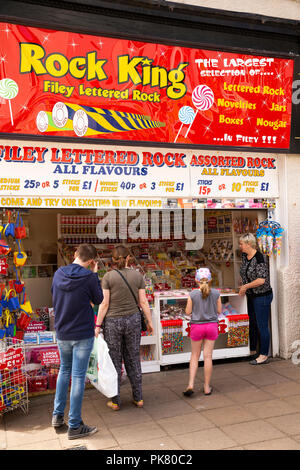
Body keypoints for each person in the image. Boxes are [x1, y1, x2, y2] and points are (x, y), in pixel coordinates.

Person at [51, 244, 103, 439]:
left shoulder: (58, 274)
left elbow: (55, 295)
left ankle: (57, 416)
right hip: (82, 332)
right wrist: (95, 274)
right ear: (91, 262)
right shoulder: (89, 277)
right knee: (78, 377)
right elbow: (98, 299)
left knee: (64, 371)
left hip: (63, 331)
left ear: (75, 255)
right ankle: (74, 425)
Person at [95, 245, 153, 411]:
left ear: (112, 260)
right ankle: (138, 397)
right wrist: (149, 321)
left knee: (114, 360)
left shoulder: (107, 277)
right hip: (133, 320)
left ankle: (115, 400)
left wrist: (98, 325)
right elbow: (143, 302)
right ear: (128, 258)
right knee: (133, 357)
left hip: (113, 322)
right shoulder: (137, 276)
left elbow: (104, 304)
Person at [183, 268, 222, 397]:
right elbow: (219, 310)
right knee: (208, 357)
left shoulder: (193, 294)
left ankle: (190, 384)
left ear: (196, 280)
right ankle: (206, 387)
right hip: (211, 326)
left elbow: (188, 312)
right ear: (210, 279)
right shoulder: (216, 293)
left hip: (197, 327)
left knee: (194, 356)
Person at [239, 233, 273, 365]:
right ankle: (255, 351)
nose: (240, 246)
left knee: (262, 325)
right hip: (251, 296)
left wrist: (245, 286)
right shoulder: (245, 256)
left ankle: (264, 355)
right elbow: (245, 272)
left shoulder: (259, 257)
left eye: (241, 243)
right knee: (253, 324)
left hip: (262, 296)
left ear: (248, 244)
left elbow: (261, 280)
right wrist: (242, 283)